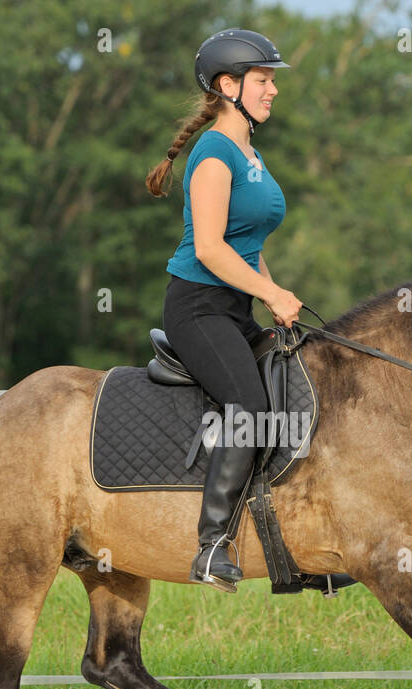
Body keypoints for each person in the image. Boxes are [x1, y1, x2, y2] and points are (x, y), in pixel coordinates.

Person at [145, 29, 303, 592]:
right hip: (199, 307)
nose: (273, 90)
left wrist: (274, 292)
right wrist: (272, 294)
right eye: (264, 80)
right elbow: (210, 248)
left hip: (235, 306)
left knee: (297, 384)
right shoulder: (214, 152)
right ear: (228, 85)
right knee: (250, 404)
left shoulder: (249, 153)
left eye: (272, 80)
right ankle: (211, 547)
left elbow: (246, 247)